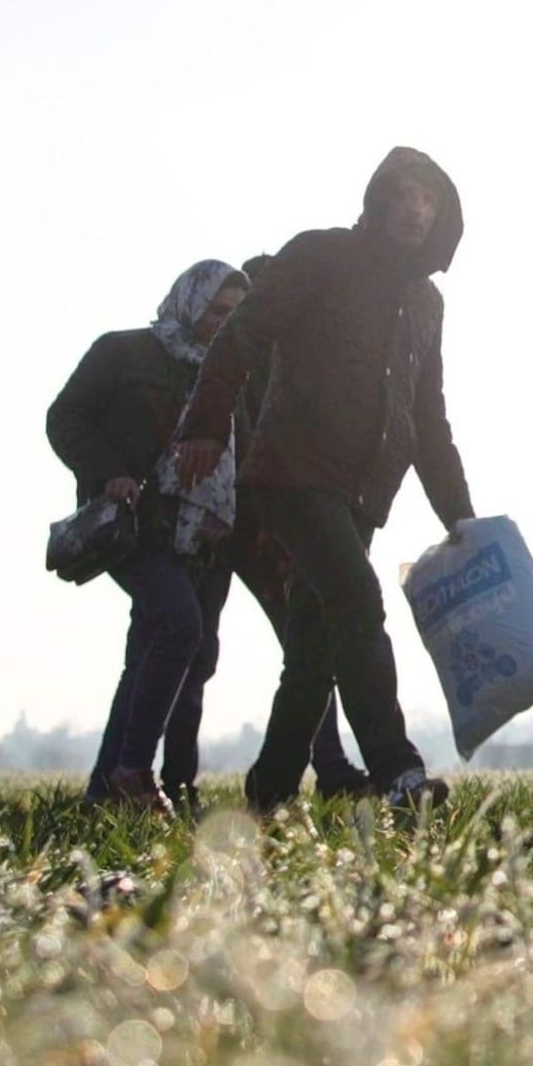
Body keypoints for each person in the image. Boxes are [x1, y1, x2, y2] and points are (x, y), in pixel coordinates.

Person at [175, 147, 475, 813]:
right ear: (380, 198)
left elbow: (429, 420)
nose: (415, 208)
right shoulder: (320, 256)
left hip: (363, 494)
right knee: (359, 604)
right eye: (405, 193)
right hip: (291, 473)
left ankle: (269, 794)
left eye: (429, 198)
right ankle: (400, 774)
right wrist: (203, 423)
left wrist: (462, 517)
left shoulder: (427, 304)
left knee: (311, 655)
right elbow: (242, 335)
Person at [48, 260, 248, 813]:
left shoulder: (228, 373)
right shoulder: (123, 351)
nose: (221, 322)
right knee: (181, 624)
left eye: (233, 315)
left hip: (190, 535)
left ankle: (103, 789)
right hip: (127, 523)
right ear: (189, 301)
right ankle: (135, 773)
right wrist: (108, 471)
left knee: (146, 652)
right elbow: (63, 419)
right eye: (214, 309)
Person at [202, 252, 374, 801]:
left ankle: (328, 767)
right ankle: (169, 775)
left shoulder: (300, 362)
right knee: (195, 646)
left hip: (263, 531)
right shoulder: (211, 360)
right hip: (207, 529)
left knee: (307, 647)